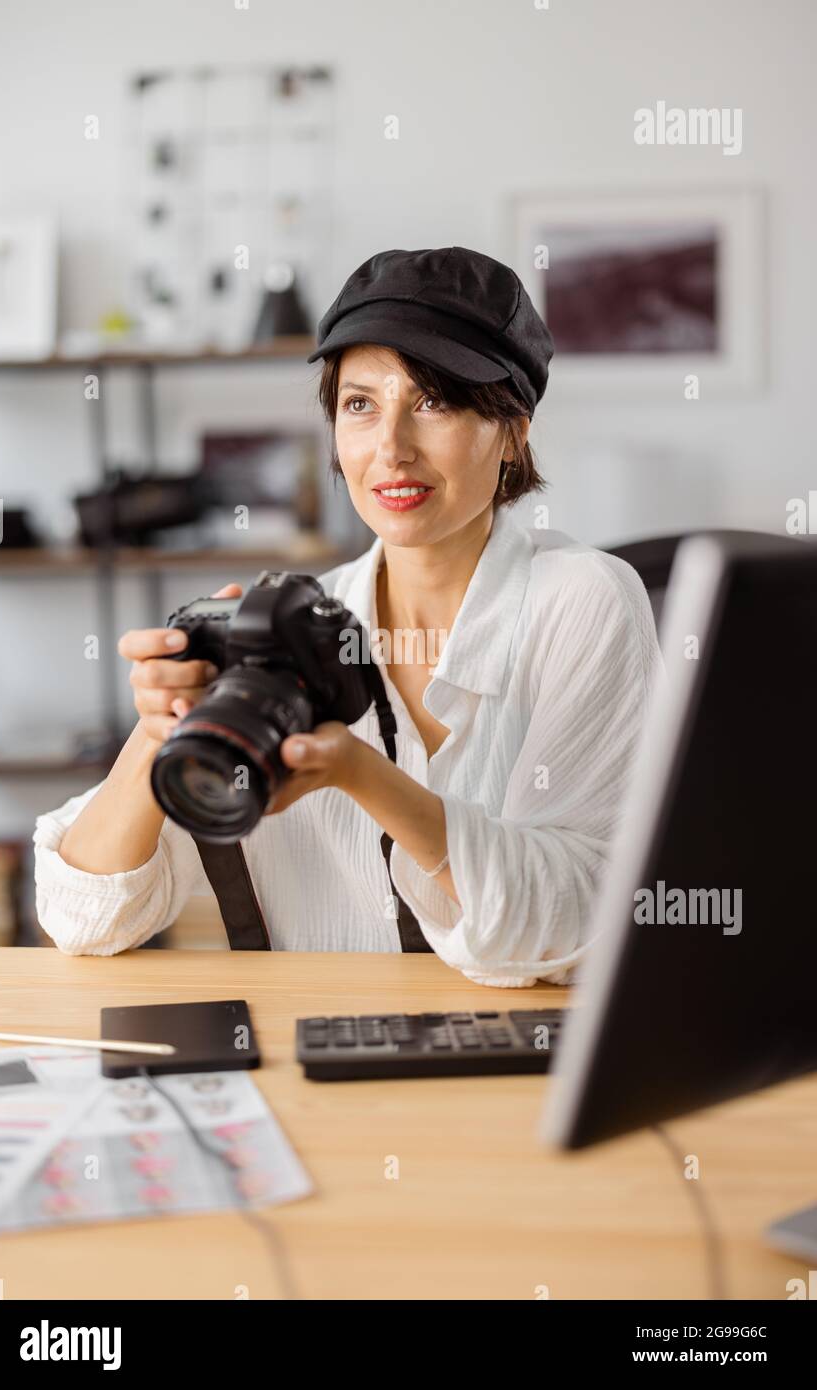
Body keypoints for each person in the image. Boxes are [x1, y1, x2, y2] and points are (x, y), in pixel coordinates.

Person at [34, 246, 662, 985]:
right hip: (310, 1066)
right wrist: (157, 729)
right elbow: (85, 920)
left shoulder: (582, 603)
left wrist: (360, 774)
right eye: (360, 404)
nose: (390, 449)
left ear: (513, 431)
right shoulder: (290, 626)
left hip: (520, 1068)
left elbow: (576, 925)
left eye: (434, 401)